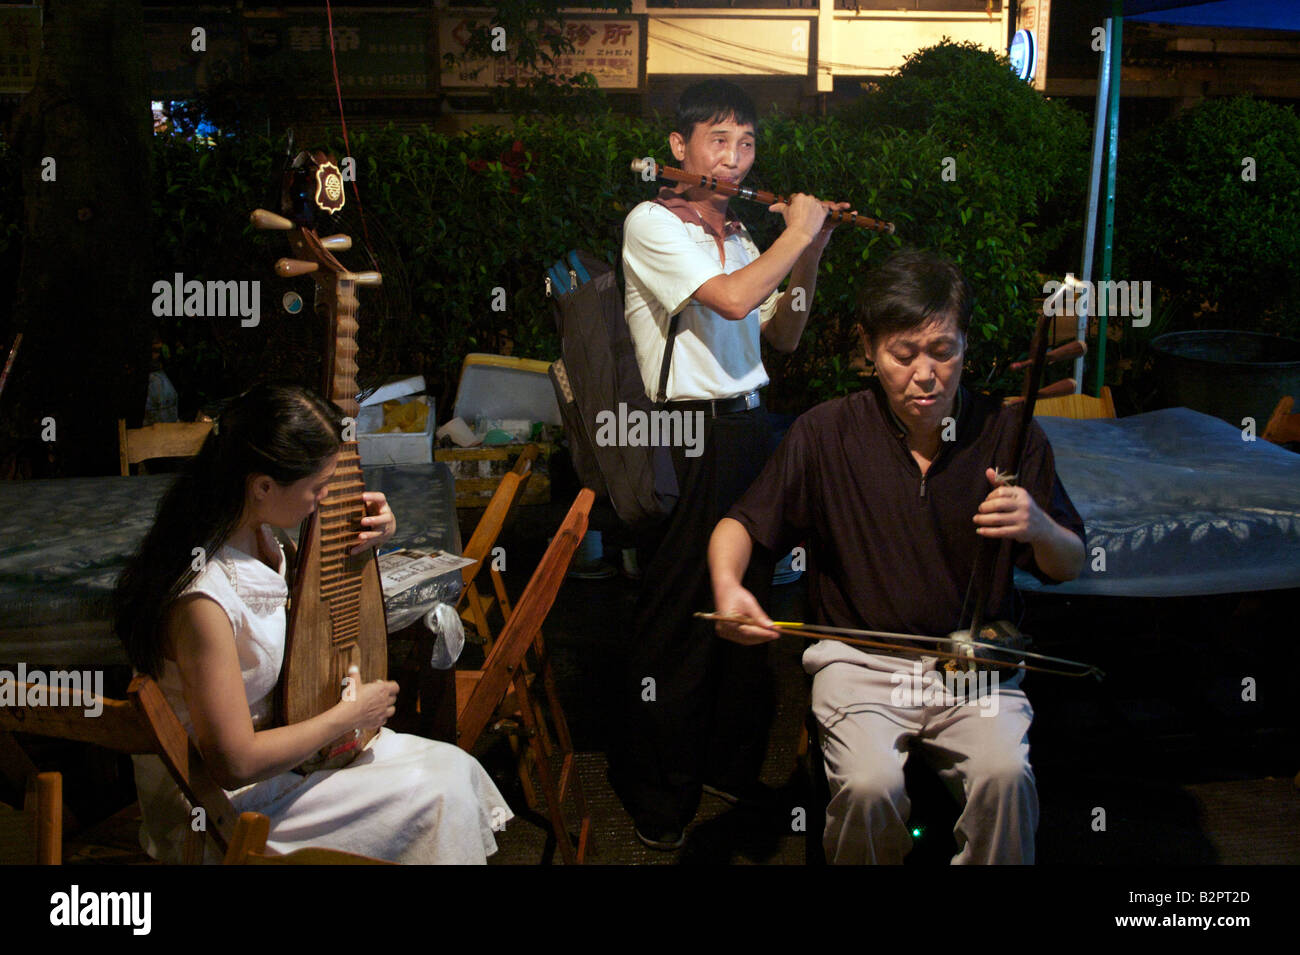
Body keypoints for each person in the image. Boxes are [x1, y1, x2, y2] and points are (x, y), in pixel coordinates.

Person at [707, 250, 1086, 864]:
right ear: (869, 348)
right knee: (868, 785)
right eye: (903, 355)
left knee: (1005, 777)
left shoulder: (1008, 434)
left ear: (965, 343)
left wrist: (1039, 526)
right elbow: (741, 523)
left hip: (975, 660)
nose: (925, 375)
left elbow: (1069, 563)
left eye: (942, 351)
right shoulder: (826, 433)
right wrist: (729, 587)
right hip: (859, 661)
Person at [114, 383, 510, 864]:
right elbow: (234, 762)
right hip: (221, 811)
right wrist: (348, 717)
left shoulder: (260, 532)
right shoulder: (203, 601)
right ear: (263, 486)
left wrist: (372, 535)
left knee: (452, 768)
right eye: (316, 487)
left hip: (286, 759)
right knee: (437, 794)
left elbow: (305, 601)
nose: (323, 499)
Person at [611, 79, 849, 849]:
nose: (736, 158)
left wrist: (809, 254)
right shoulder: (653, 223)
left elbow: (783, 335)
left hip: (749, 429)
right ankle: (658, 795)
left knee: (747, 610)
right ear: (679, 147)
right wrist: (795, 236)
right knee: (682, 617)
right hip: (687, 435)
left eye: (747, 143)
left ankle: (727, 765)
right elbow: (736, 302)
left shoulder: (746, 236)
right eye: (719, 140)